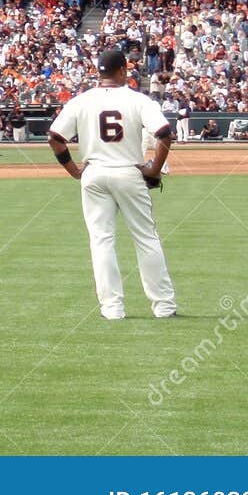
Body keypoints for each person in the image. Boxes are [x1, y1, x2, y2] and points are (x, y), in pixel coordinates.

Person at [47, 48, 177, 320]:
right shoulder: (137, 99)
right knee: (145, 238)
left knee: (101, 241)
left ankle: (112, 308)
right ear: (123, 71)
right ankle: (163, 306)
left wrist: (73, 170)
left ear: (98, 72)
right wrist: (154, 167)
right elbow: (164, 133)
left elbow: (55, 137)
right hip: (129, 172)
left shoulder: (81, 101)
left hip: (94, 174)